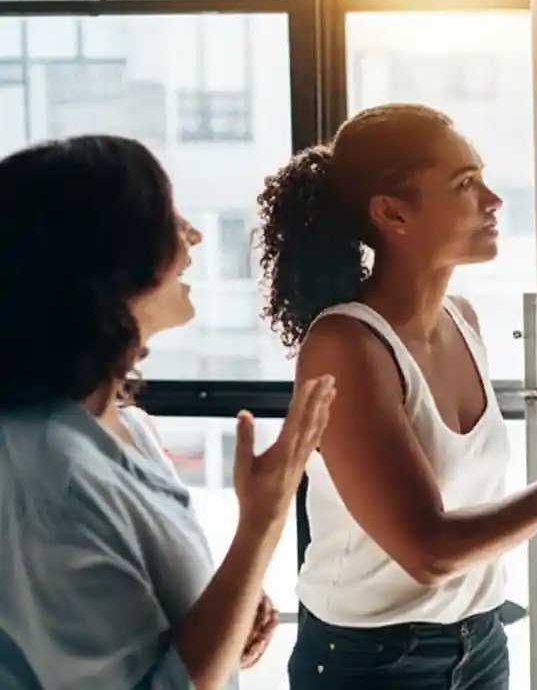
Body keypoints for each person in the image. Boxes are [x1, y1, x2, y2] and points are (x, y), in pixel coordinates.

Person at [256, 103, 537, 688]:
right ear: (392, 213)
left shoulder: (463, 320)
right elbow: (428, 550)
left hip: (481, 639)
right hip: (372, 660)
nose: (493, 200)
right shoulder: (345, 343)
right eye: (464, 184)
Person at [0, 135, 335, 688]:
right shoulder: (48, 476)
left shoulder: (126, 428)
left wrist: (228, 606)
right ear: (104, 261)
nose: (194, 236)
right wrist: (263, 523)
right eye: (168, 219)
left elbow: (164, 642)